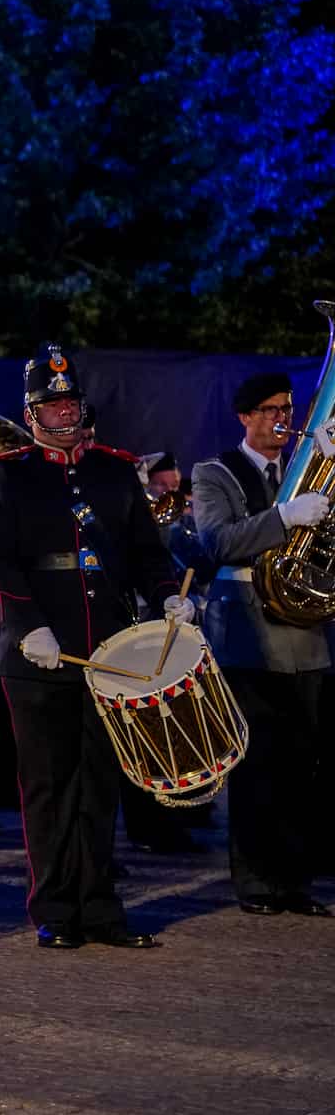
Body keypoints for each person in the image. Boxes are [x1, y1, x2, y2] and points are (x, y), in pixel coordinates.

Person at [0, 343, 183, 951]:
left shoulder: (115, 471)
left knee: (99, 784)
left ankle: (100, 906)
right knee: (48, 784)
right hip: (39, 654)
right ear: (33, 411)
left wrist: (166, 594)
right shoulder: (10, 474)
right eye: (52, 404)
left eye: (70, 403)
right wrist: (25, 624)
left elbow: (144, 550)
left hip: (109, 650)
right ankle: (55, 907)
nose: (64, 413)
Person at [189, 372, 331, 918]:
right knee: (257, 763)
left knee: (302, 764)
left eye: (287, 408)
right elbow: (217, 541)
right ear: (244, 416)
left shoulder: (310, 469)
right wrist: (283, 516)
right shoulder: (215, 473)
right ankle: (254, 881)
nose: (281, 419)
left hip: (306, 632)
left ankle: (294, 881)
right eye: (269, 410)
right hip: (247, 633)